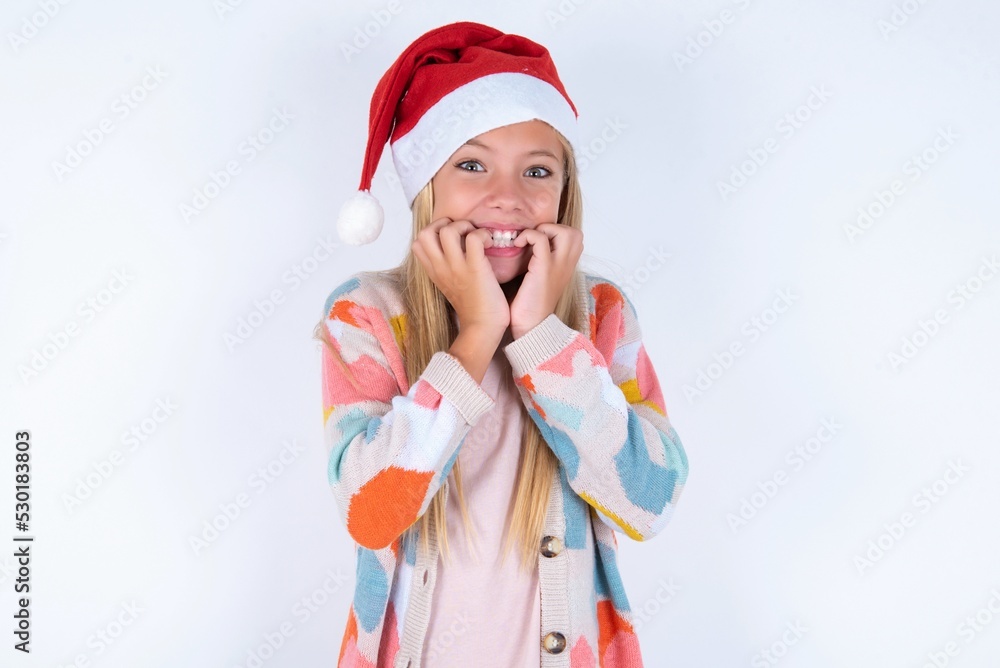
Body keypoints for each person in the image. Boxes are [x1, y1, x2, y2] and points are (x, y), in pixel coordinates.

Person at [314, 20, 689, 667]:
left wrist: (543, 339)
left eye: (537, 171)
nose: (507, 199)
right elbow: (370, 513)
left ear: (564, 194)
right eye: (472, 164)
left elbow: (647, 503)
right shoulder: (368, 314)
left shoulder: (601, 315)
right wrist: (477, 334)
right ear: (426, 185)